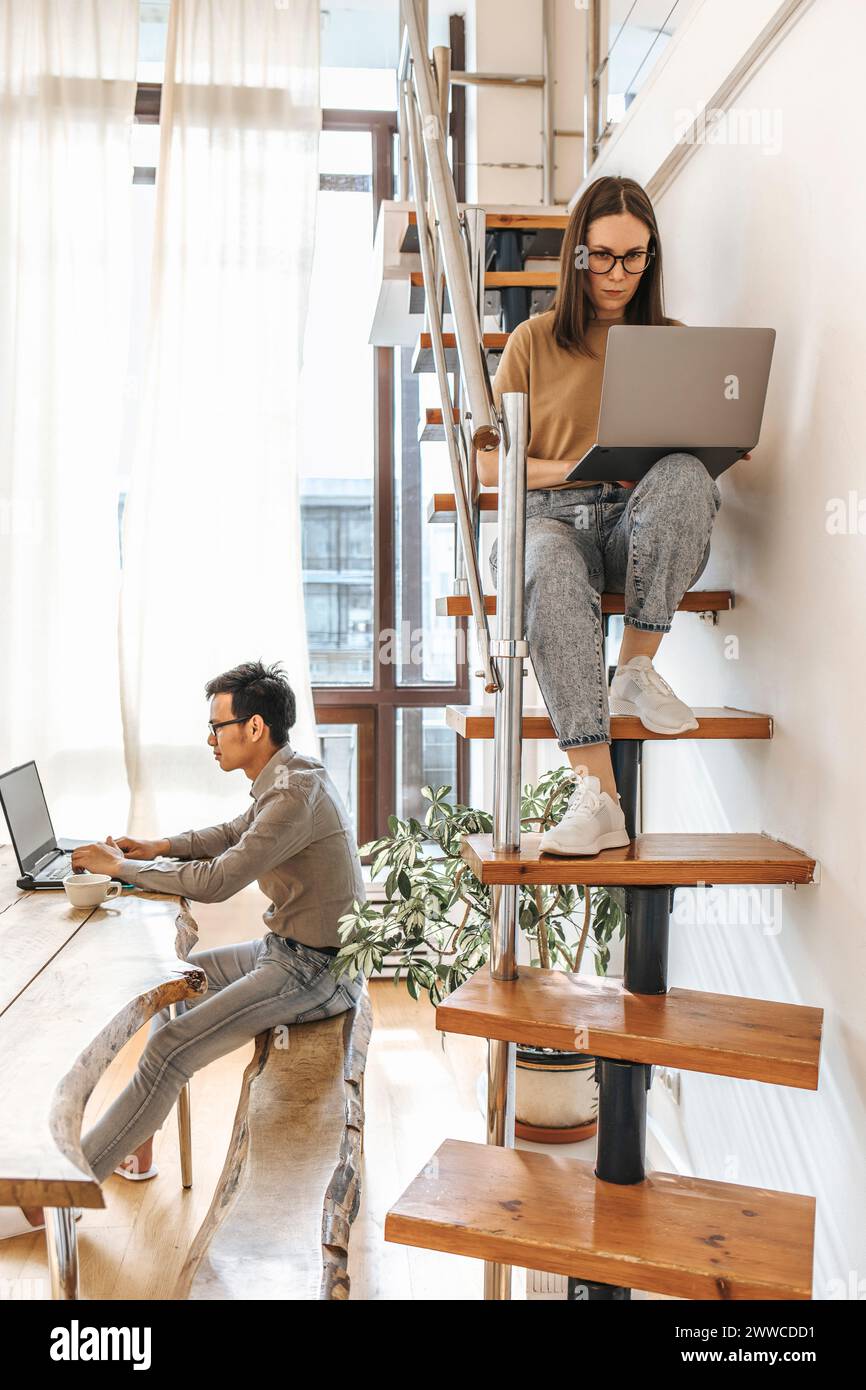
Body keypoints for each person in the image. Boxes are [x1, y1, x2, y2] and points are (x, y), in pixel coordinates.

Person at [5, 660, 366, 1238]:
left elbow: (219, 880)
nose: (209, 739)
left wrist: (125, 867)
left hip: (316, 971)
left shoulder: (294, 793)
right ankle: (139, 1139)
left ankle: (55, 1196)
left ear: (253, 728)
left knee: (171, 1048)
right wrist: (157, 844)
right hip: (289, 952)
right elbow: (229, 835)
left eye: (217, 726)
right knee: (171, 982)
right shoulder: (286, 777)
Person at [485, 175, 750, 856]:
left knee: (688, 477)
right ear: (577, 255)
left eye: (635, 258)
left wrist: (716, 442)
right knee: (545, 565)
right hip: (550, 520)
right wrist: (583, 467)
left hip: (633, 523)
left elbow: (692, 468)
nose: (617, 274)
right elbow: (491, 467)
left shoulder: (674, 343)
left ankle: (634, 669)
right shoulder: (532, 341)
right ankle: (598, 799)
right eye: (602, 256)